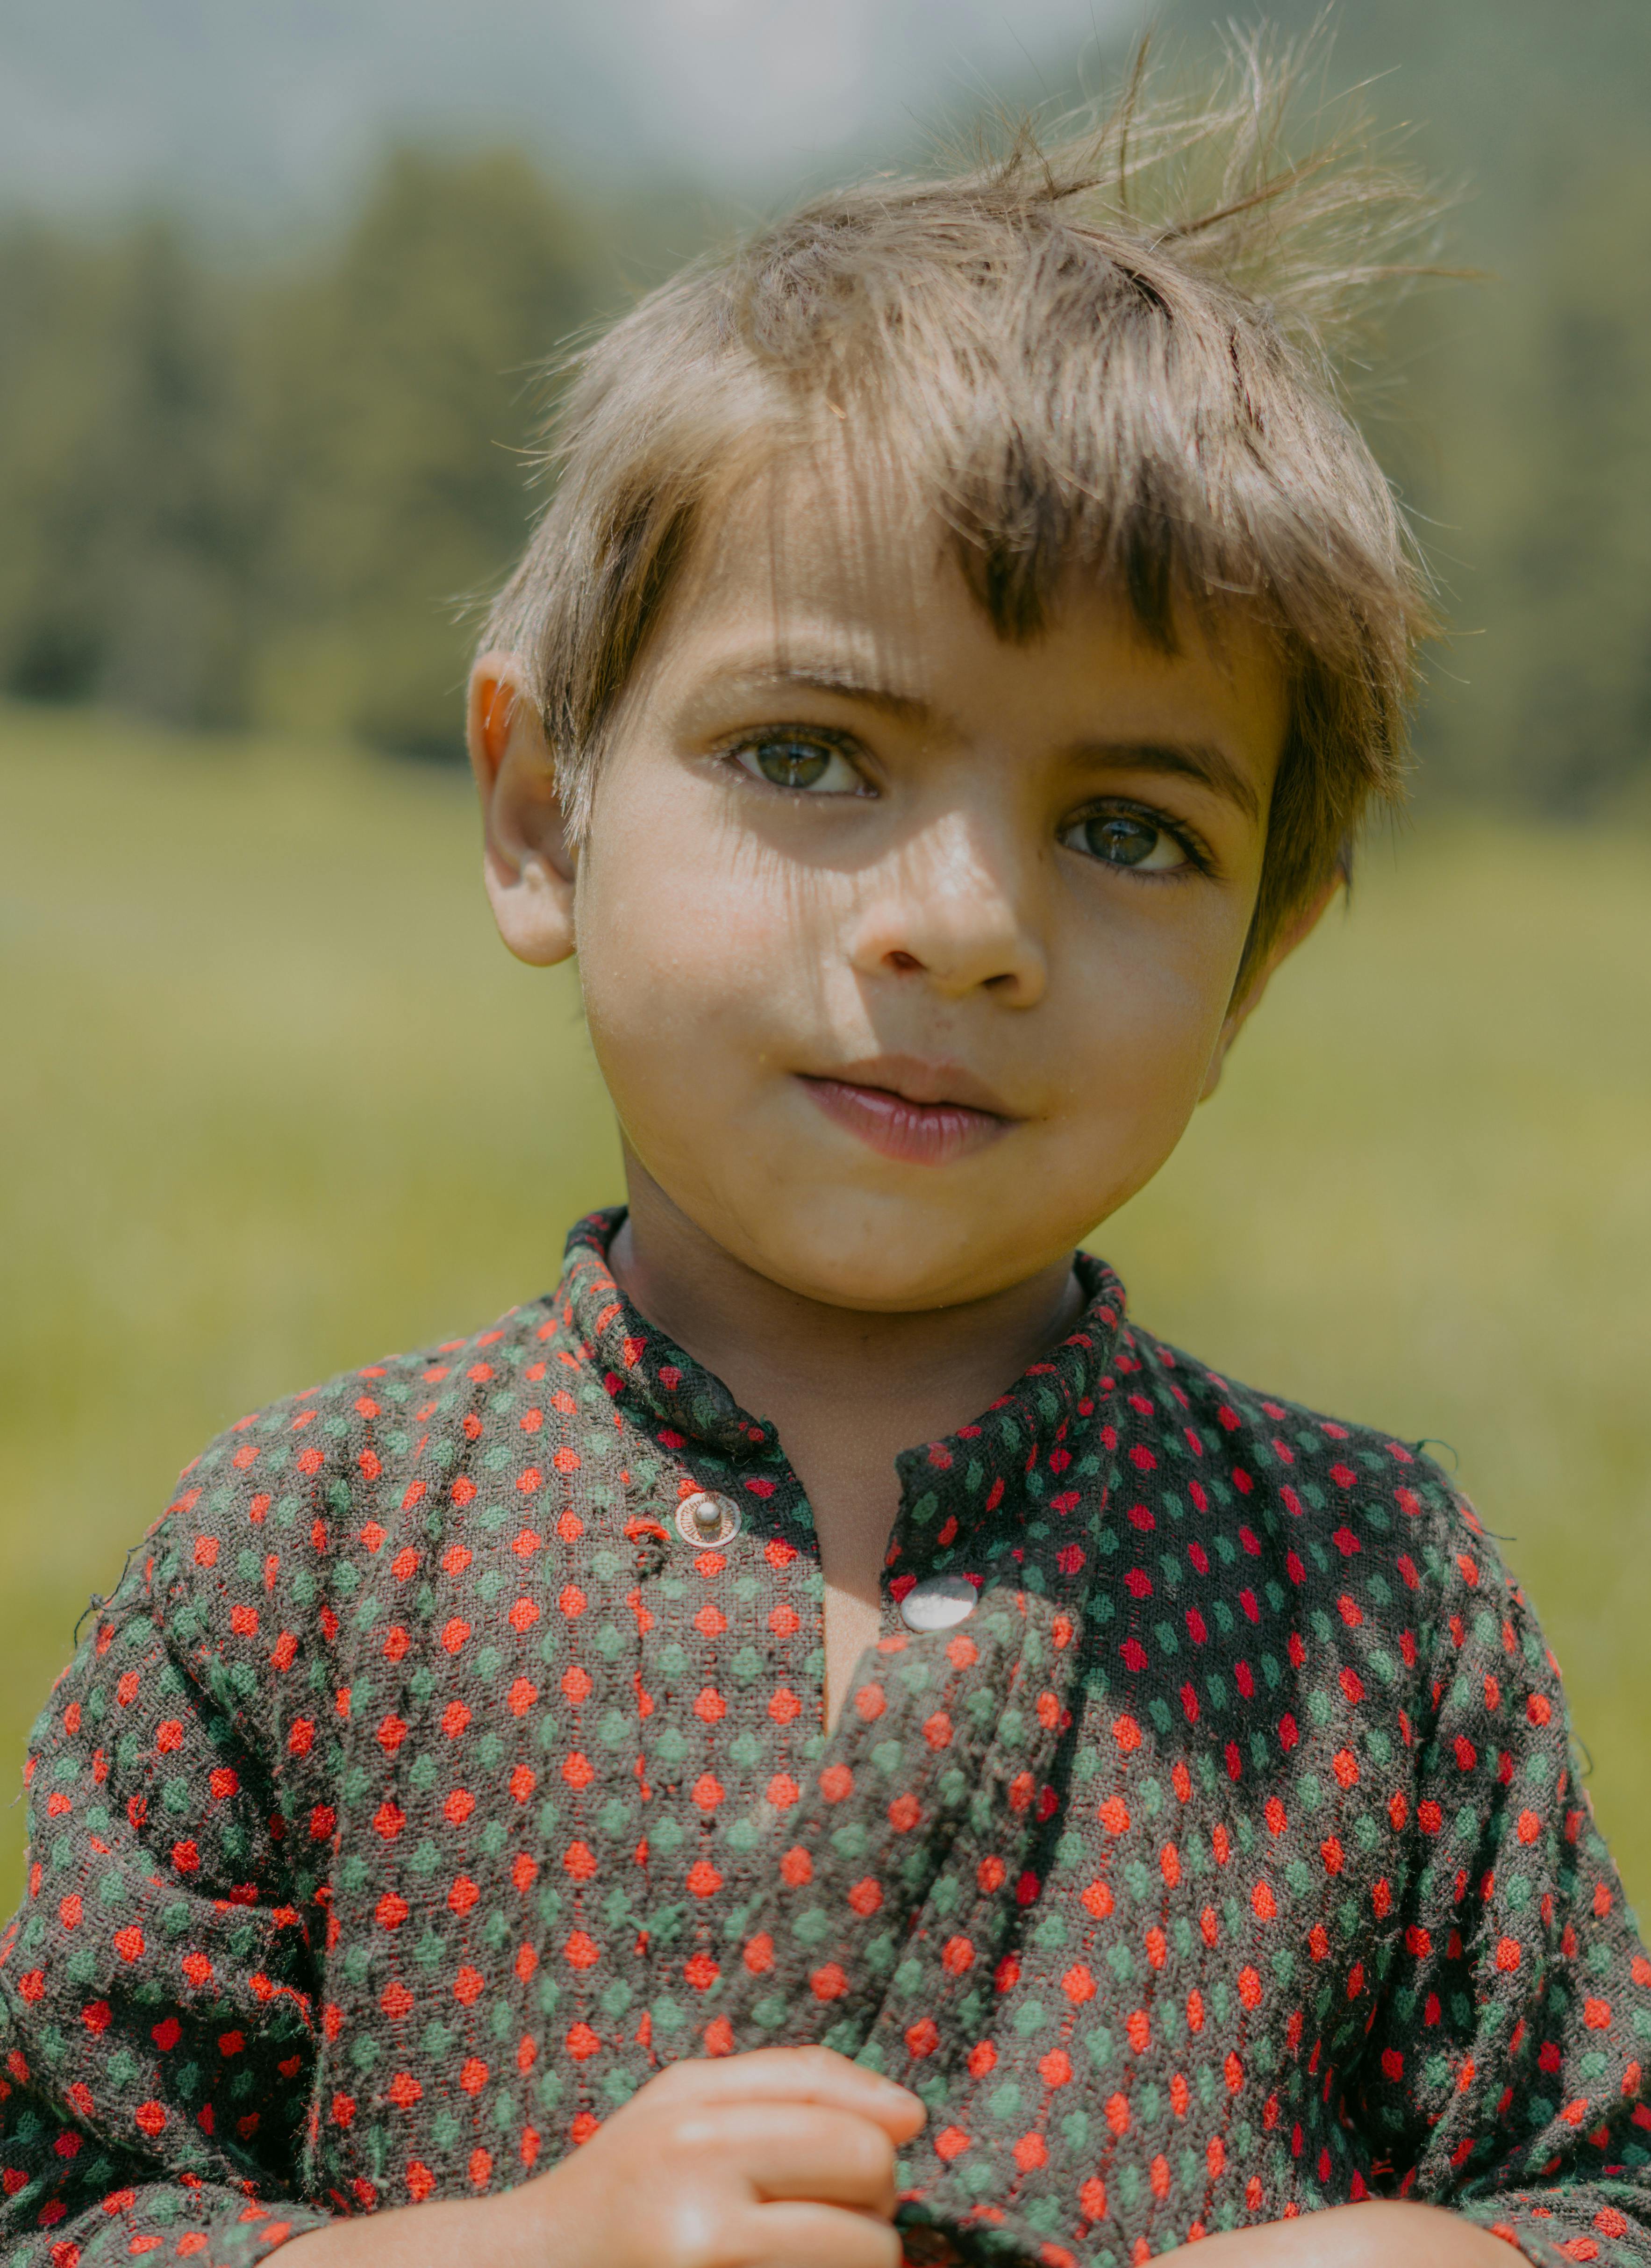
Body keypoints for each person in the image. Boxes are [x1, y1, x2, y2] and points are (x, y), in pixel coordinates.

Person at [2, 38, 1647, 2268]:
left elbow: (1598, 2175)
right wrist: (521, 2251)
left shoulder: (1379, 1608)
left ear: (1256, 958)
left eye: (1126, 828)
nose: (961, 923)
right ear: (535, 808)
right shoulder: (309, 1564)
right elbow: (65, 2195)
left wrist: (1431, 2255)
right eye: (807, 753)